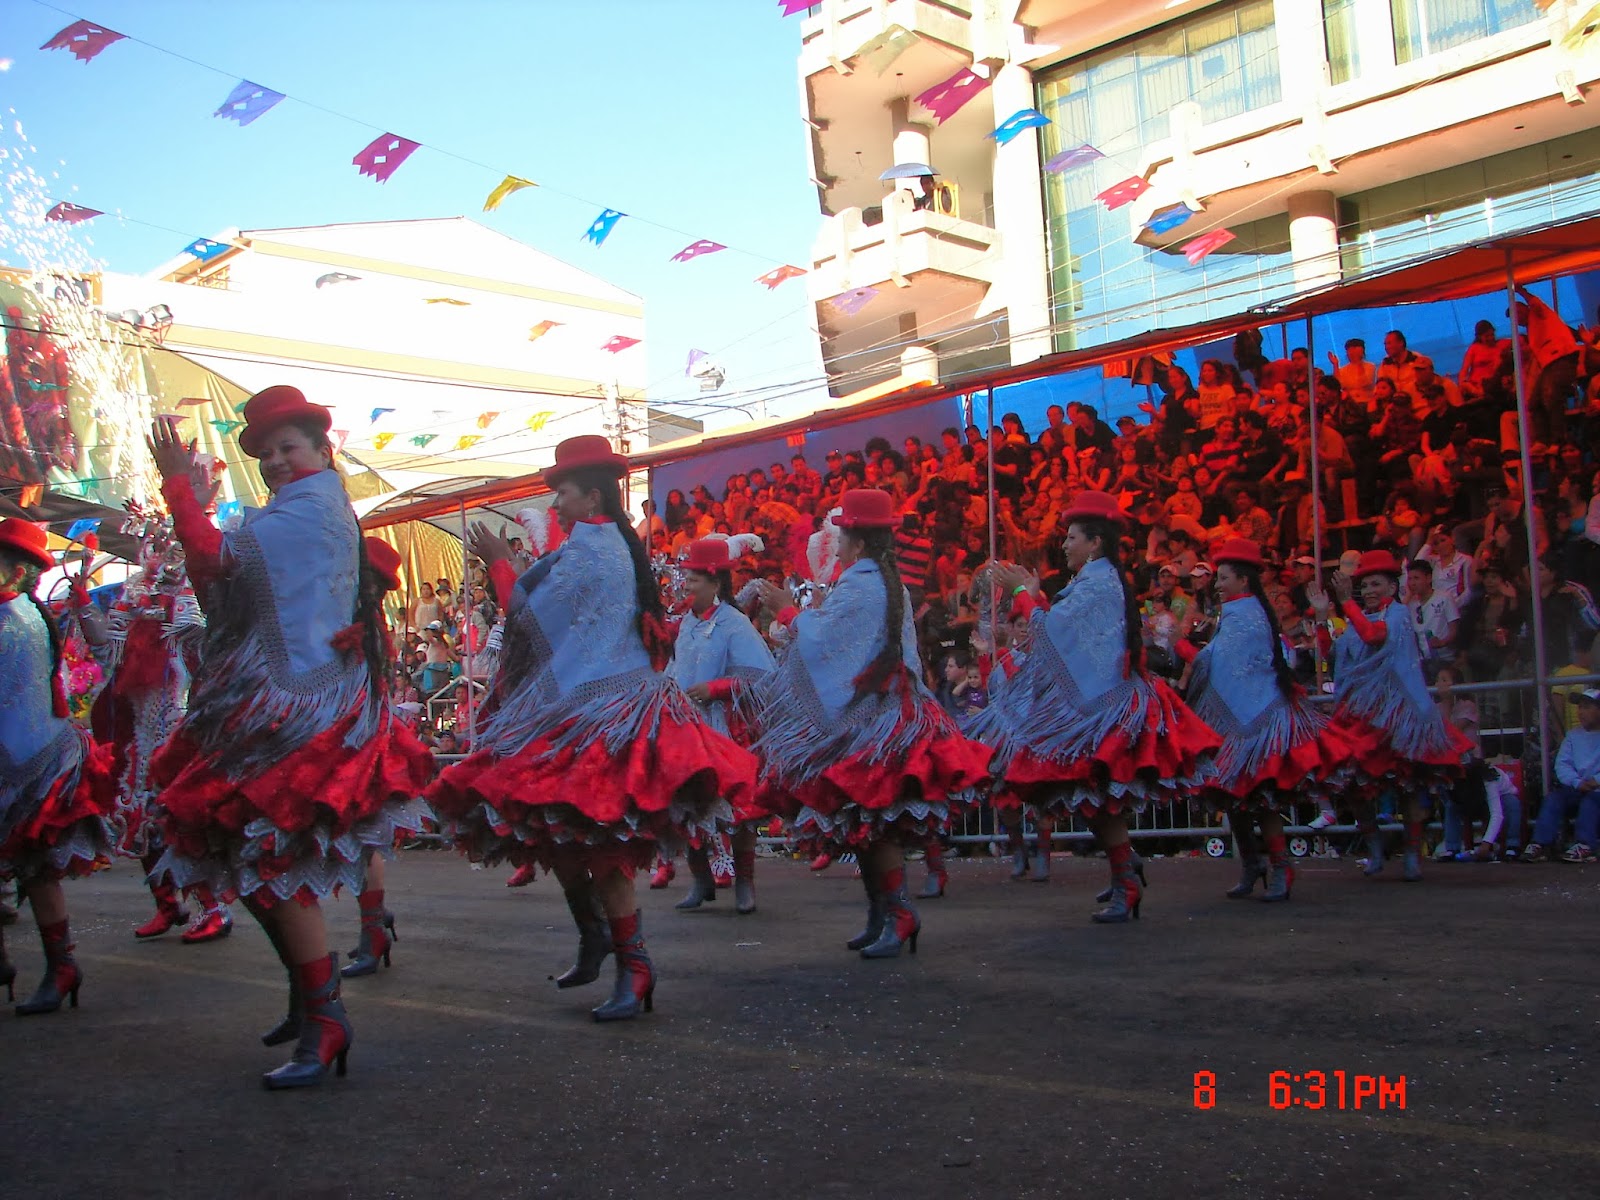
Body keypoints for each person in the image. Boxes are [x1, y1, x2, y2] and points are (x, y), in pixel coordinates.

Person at [145, 387, 434, 1088]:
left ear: (321, 449)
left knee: (266, 867)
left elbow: (216, 567)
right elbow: (224, 589)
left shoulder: (307, 515)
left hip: (290, 715)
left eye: (288, 448)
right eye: (267, 454)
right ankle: (312, 1001)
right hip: (275, 706)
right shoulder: (297, 512)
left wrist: (180, 490)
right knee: (249, 865)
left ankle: (325, 1015)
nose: (276, 462)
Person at [427, 436, 756, 1021]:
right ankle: (599, 940)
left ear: (593, 495)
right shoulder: (600, 545)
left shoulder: (591, 551)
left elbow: (528, 616)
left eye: (562, 492)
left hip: (601, 719)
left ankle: (634, 963)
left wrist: (499, 564)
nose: (554, 503)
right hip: (592, 712)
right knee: (566, 837)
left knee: (599, 844)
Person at [751, 489, 990, 957]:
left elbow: (823, 641)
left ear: (856, 542)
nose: (835, 544)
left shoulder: (863, 585)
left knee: (872, 823)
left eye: (841, 536)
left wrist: (785, 609)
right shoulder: (881, 581)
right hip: (884, 717)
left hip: (871, 725)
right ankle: (883, 912)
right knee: (863, 823)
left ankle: (897, 913)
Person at [984, 491, 1220, 922]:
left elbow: (1051, 633)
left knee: (1096, 796)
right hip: (1098, 707)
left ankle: (1125, 878)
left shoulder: (1096, 583)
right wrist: (1031, 595)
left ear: (1094, 543)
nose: (1064, 545)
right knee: (1091, 797)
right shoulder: (1096, 580)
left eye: (1071, 537)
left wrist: (1020, 591)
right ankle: (1124, 871)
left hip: (1100, 711)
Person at [78, 515, 233, 944]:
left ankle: (214, 907)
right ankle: (168, 904)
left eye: (166, 545)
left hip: (177, 717)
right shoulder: (132, 593)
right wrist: (84, 608)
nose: (158, 552)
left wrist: (189, 625)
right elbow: (104, 645)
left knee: (178, 814)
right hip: (137, 723)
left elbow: (210, 637)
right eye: (152, 544)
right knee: (137, 812)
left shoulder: (191, 591)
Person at [1180, 540, 1348, 903]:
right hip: (1237, 723)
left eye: (1224, 578)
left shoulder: (1248, 613)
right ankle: (1253, 865)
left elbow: (1224, 660)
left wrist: (1185, 651)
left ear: (1243, 580)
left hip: (1256, 723)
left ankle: (1279, 866)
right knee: (1236, 796)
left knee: (1262, 796)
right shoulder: (1238, 612)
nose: (1218, 584)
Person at [0, 518, 117, 1014]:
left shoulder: (12, 621)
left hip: (23, 762)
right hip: (28, 755)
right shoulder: (22, 612)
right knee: (31, 868)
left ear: (17, 571)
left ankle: (60, 966)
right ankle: (50, 965)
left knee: (35, 867)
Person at [1309, 550, 1472, 881]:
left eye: (1375, 584)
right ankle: (1374, 848)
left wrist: (1345, 604)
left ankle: (1412, 853)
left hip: (1399, 718)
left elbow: (1375, 638)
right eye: (1364, 584)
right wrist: (1324, 615)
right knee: (1355, 789)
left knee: (1408, 787)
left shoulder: (1397, 615)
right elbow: (1334, 654)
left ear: (1391, 587)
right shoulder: (1357, 620)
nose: (1369, 590)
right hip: (1362, 719)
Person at [341, 537, 437, 980]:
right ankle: (373, 924)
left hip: (356, 741)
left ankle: (372, 928)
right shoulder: (366, 621)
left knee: (362, 839)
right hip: (357, 738)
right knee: (358, 840)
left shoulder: (360, 625)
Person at [666, 537, 776, 915]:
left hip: (726, 727)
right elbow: (675, 669)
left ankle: (745, 882)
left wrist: (716, 688)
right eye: (686, 579)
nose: (687, 586)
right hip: (688, 726)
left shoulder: (734, 623)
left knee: (740, 806)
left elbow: (763, 677)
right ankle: (701, 880)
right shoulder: (685, 625)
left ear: (714, 583)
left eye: (694, 580)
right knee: (691, 803)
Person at [1523, 687, 1600, 863]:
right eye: (1580, 707)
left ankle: (1585, 845)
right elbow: (1562, 764)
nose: (1581, 712)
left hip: (1598, 790)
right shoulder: (1573, 736)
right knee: (1554, 798)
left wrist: (1596, 781)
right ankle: (1540, 844)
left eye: (1587, 707)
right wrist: (1577, 782)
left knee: (1591, 801)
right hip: (1577, 786)